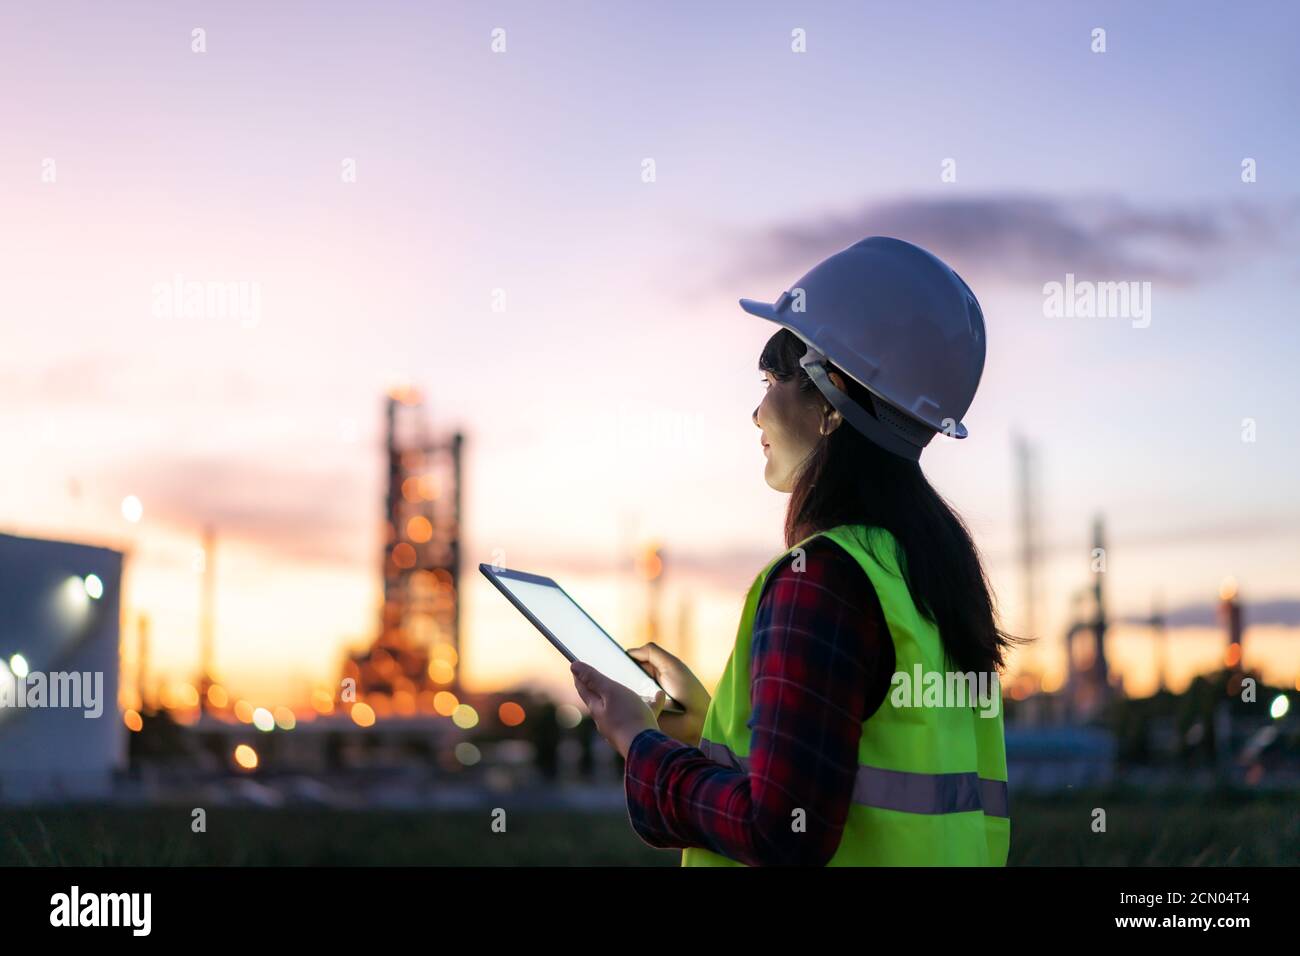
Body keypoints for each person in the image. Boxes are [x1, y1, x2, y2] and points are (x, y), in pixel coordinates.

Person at [571, 237, 1019, 866]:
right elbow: (850, 772)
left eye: (774, 379)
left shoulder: (822, 580)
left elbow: (783, 829)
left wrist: (635, 738)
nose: (757, 412)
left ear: (832, 394)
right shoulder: (923, 575)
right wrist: (704, 728)